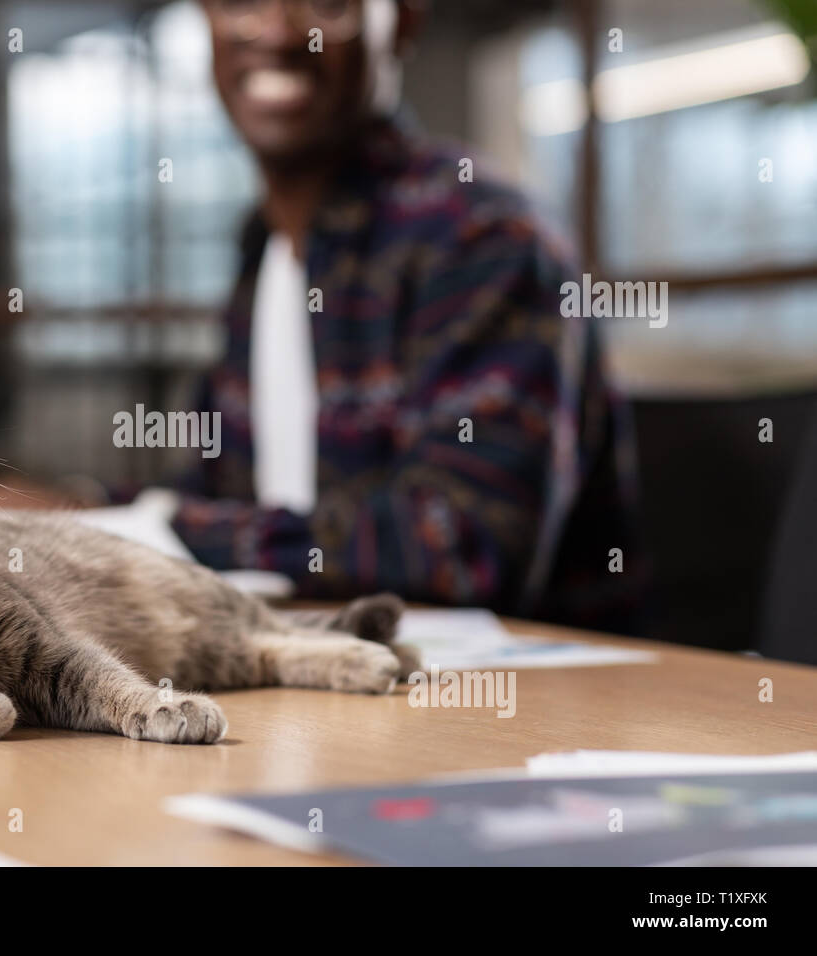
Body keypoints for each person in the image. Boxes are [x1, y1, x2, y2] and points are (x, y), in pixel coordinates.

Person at [157, 0, 648, 634]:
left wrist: (165, 527)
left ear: (404, 21)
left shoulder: (482, 234)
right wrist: (73, 513)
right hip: (321, 675)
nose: (277, 31)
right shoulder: (264, 249)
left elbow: (461, 546)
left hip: (517, 706)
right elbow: (215, 493)